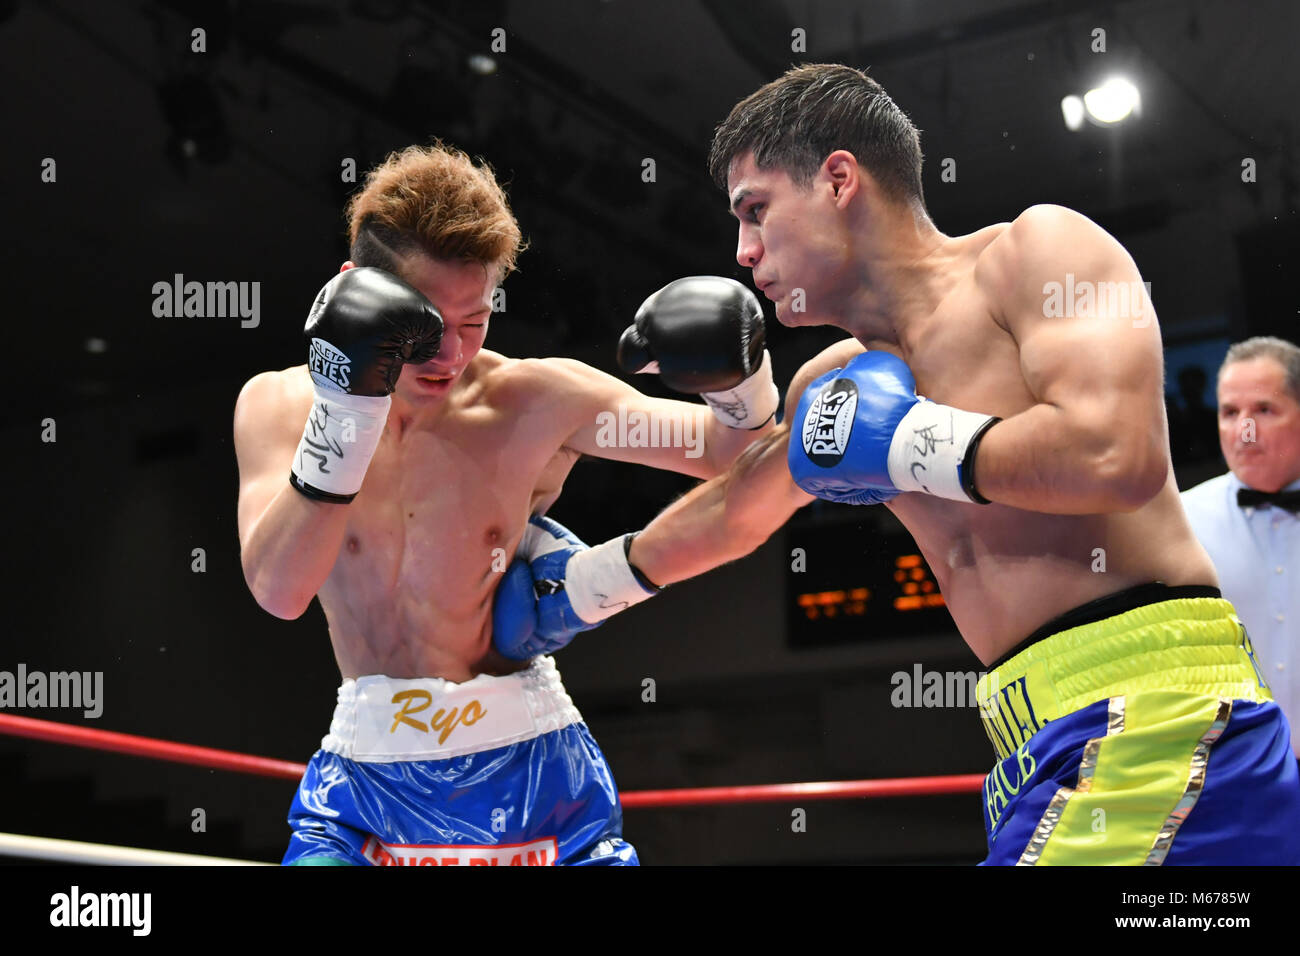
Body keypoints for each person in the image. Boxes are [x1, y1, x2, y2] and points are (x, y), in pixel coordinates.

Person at [501, 64, 1300, 865]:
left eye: (756, 211)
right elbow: (734, 510)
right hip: (1040, 740)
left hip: (1159, 714)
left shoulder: (1035, 254)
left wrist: (913, 443)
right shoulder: (831, 385)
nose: (742, 252)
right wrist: (581, 588)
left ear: (839, 179)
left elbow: (1115, 454)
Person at [233, 142, 780, 865]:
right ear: (355, 290)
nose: (451, 356)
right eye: (426, 327)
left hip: (529, 766)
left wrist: (743, 381)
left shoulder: (533, 401)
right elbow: (278, 591)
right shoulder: (275, 405)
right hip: (365, 782)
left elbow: (736, 453)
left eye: (475, 321)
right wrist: (347, 413)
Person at [1182, 336, 1300, 760]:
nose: (1243, 429)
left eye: (1264, 410)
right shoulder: (1180, 522)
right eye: (1230, 412)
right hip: (1233, 775)